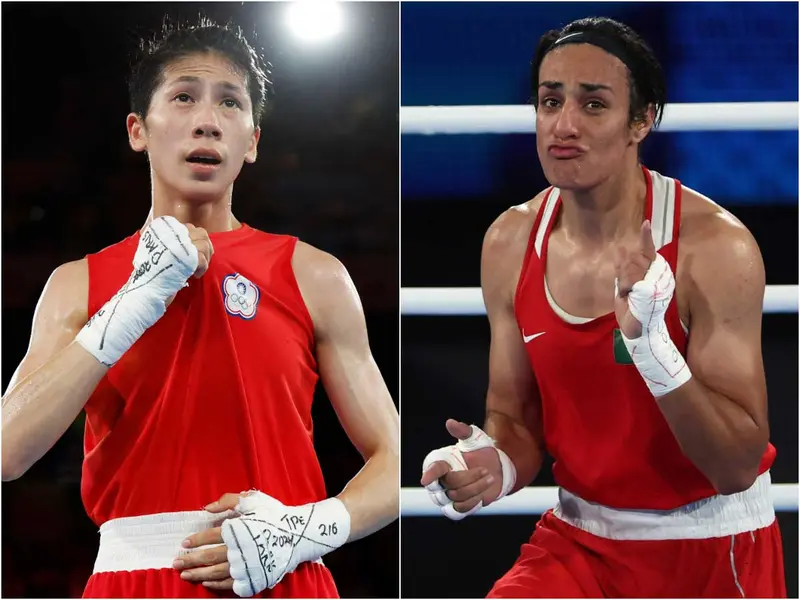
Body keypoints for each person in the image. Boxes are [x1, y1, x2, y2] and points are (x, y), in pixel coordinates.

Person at [2, 17, 399, 599]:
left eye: (231, 104)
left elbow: (391, 461)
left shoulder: (314, 275)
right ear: (139, 129)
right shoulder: (78, 284)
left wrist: (306, 529)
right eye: (184, 96)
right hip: (133, 579)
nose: (208, 120)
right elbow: (8, 451)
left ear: (253, 141)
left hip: (285, 570)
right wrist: (132, 301)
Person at [420, 16, 785, 598]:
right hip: (580, 542)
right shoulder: (509, 243)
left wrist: (650, 346)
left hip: (712, 549)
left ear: (642, 121)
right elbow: (513, 419)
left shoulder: (715, 248)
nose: (563, 125)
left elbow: (736, 465)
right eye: (549, 101)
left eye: (593, 105)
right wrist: (488, 464)